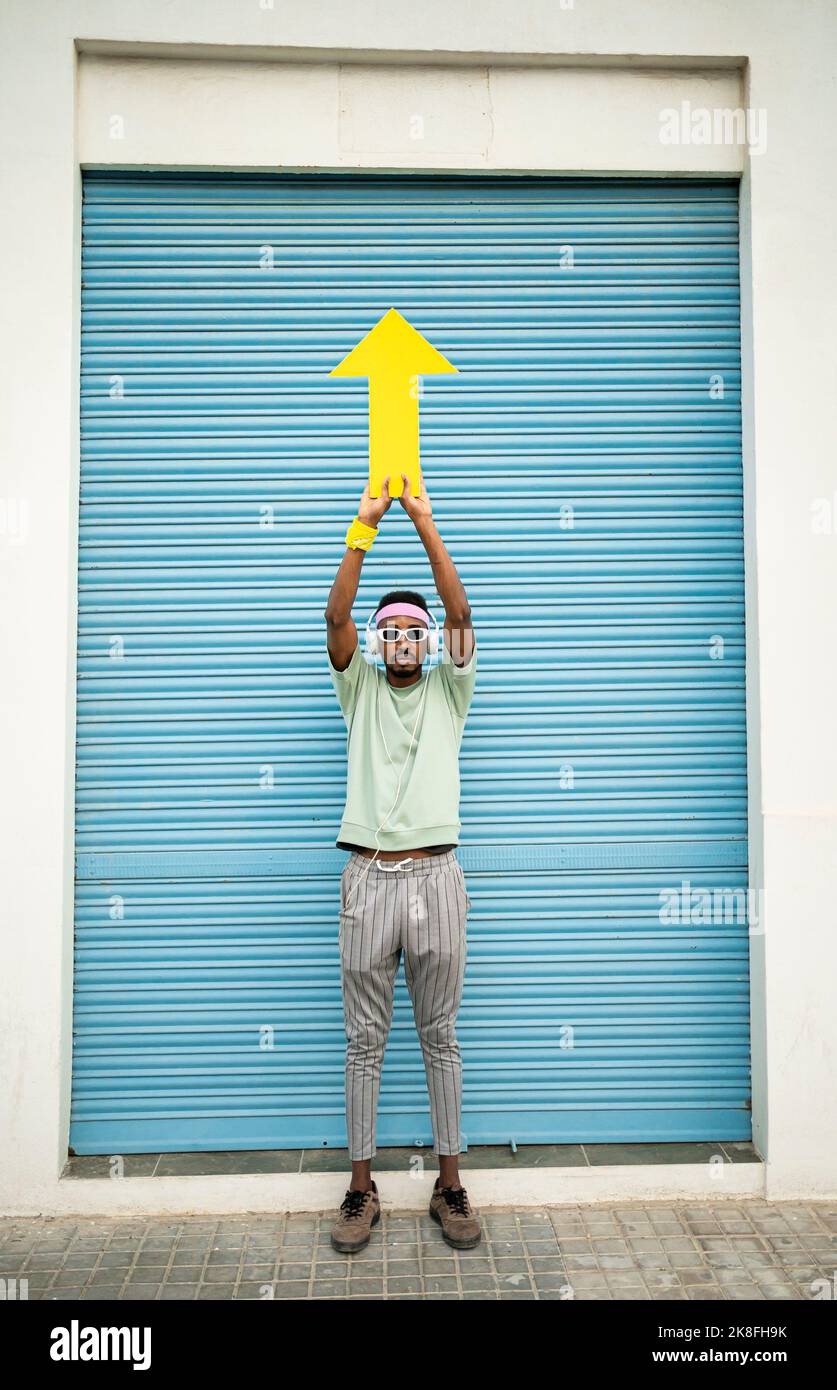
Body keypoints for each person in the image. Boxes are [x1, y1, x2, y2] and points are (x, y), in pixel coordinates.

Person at [324, 466, 481, 1253]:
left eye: (411, 632)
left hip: (436, 877)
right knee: (363, 1040)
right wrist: (364, 524)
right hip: (367, 879)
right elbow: (334, 617)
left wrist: (421, 518)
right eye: (391, 632)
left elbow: (458, 611)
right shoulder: (360, 690)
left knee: (441, 1034)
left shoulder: (451, 689)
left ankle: (449, 1184)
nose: (401, 642)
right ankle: (360, 1190)